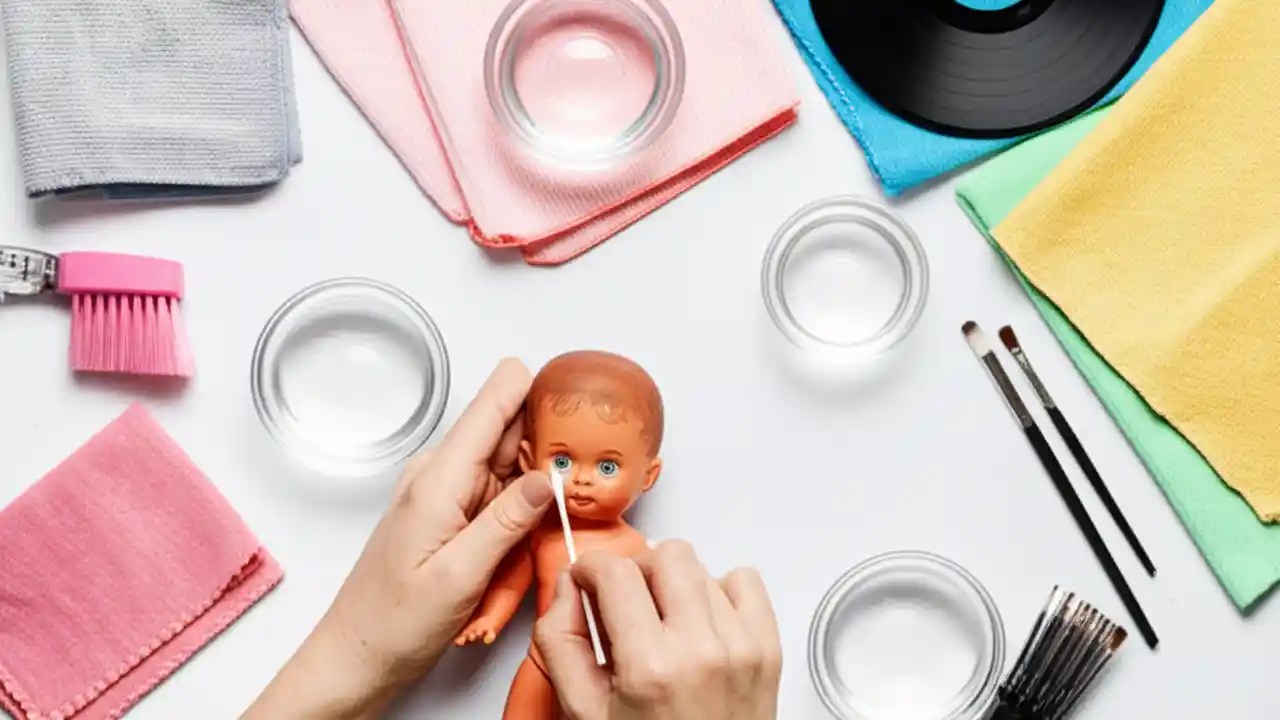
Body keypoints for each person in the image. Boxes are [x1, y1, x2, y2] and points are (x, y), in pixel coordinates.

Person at [244, 359, 783, 719]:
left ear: (648, 477)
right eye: (564, 460)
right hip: (540, 661)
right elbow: (511, 583)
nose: (582, 478)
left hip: (618, 676)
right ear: (528, 462)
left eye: (609, 465)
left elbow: (664, 608)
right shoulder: (542, 538)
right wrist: (490, 618)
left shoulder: (637, 551)